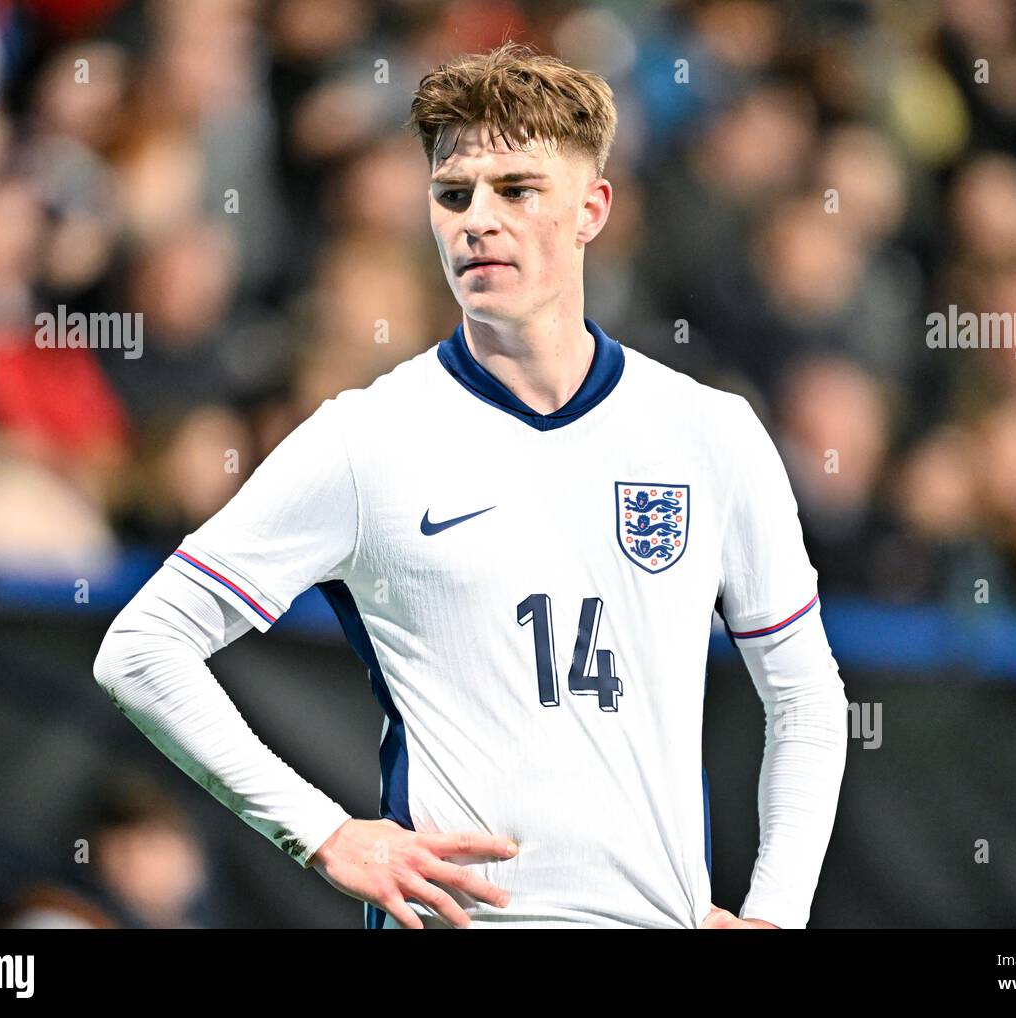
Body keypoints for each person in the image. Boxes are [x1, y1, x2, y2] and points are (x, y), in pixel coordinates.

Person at [94, 41, 848, 930]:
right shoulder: (364, 438)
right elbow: (141, 650)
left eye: (517, 190)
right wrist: (325, 833)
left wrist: (776, 915)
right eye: (453, 195)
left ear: (591, 209)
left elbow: (804, 694)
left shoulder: (710, 433)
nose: (476, 220)